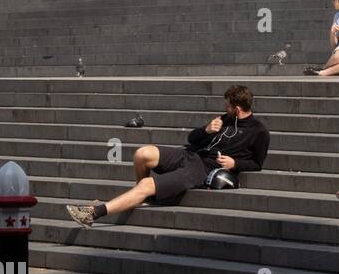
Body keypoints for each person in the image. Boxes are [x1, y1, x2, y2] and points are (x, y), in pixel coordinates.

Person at [65, 85, 270, 228]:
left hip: (202, 170)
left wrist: (235, 163)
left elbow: (257, 163)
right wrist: (206, 130)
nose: (224, 110)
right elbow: (193, 139)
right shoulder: (223, 119)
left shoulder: (258, 131)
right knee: (142, 154)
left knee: (146, 185)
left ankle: (93, 214)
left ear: (237, 109)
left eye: (227, 107)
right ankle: (141, 196)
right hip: (189, 154)